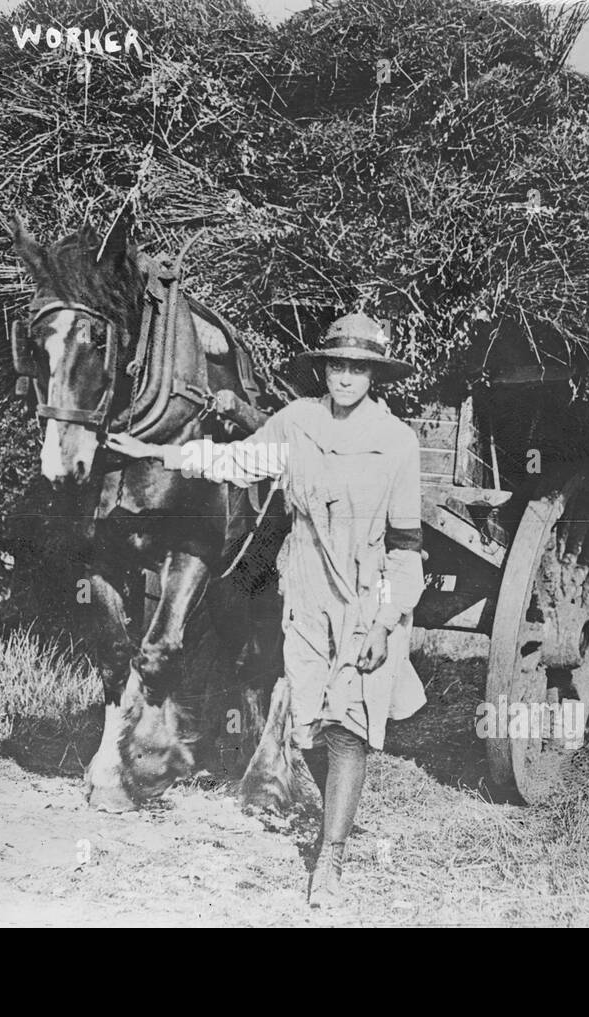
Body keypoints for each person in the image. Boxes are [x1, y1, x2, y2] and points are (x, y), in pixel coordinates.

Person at [107, 312, 426, 908]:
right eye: (337, 365)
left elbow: (406, 549)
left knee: (347, 727)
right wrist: (155, 451)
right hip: (304, 592)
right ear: (324, 369)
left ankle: (329, 859)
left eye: (359, 367)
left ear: (374, 375)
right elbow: (234, 462)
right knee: (307, 726)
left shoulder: (398, 443)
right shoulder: (297, 422)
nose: (347, 377)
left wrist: (386, 620)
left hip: (367, 595)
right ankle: (333, 802)